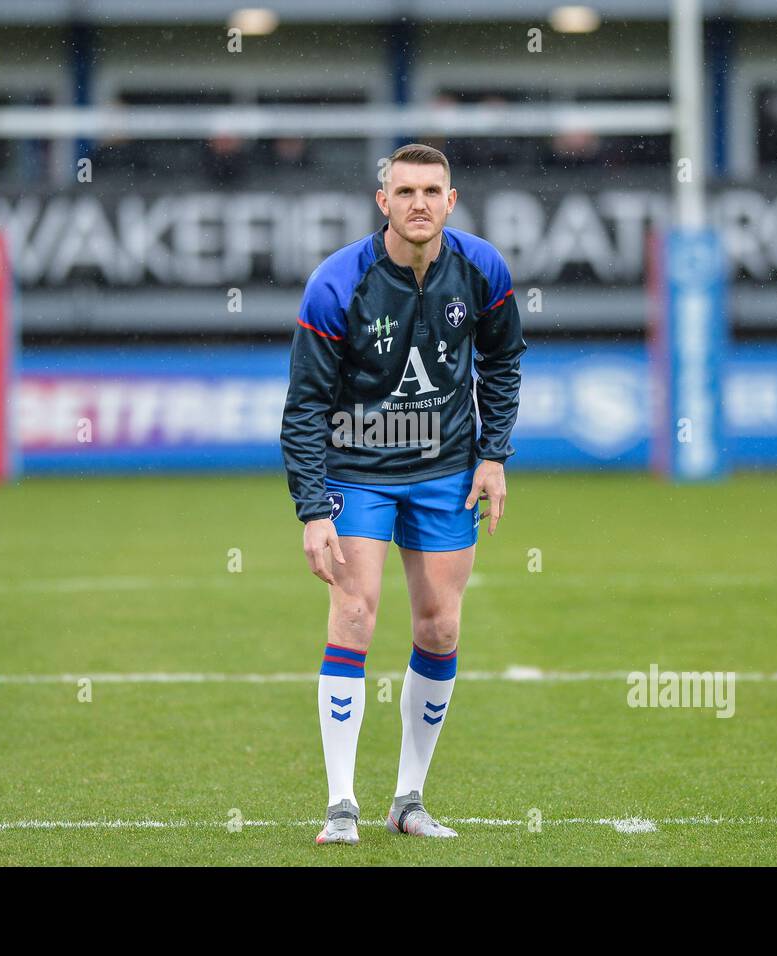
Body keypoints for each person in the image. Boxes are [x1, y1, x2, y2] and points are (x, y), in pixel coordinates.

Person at [280, 143, 527, 845]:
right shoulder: (336, 284)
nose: (419, 203)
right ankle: (340, 805)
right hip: (356, 472)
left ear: (451, 201)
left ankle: (408, 800)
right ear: (381, 201)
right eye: (405, 191)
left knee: (440, 628)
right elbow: (304, 406)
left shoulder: (483, 270)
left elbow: (503, 360)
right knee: (353, 616)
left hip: (446, 470)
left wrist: (493, 455)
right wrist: (310, 509)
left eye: (433, 191)